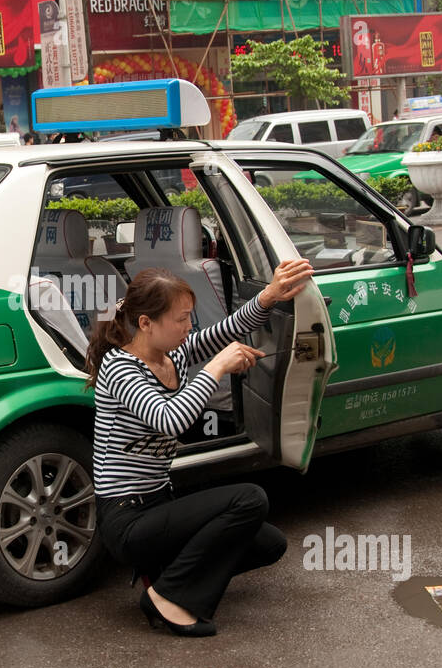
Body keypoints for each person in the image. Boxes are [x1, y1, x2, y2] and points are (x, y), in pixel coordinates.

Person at [89, 262, 314, 636]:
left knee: (267, 544)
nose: (189, 327)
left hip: (160, 503)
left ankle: (166, 575)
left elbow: (226, 331)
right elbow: (170, 419)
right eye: (180, 320)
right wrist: (217, 367)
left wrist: (269, 295)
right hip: (127, 519)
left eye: (189, 318)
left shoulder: (171, 354)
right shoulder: (120, 368)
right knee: (249, 499)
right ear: (146, 323)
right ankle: (169, 599)